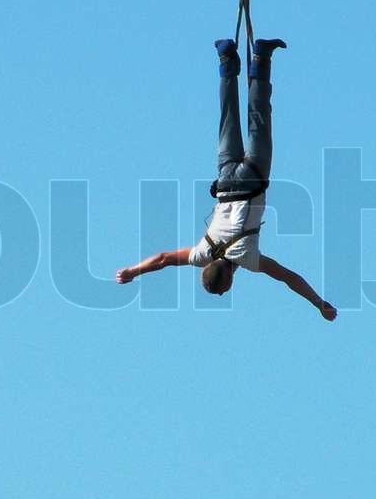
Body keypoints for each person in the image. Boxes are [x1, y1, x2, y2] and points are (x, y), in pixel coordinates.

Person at [116, 37, 338, 321]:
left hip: (254, 176)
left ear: (230, 282)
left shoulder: (249, 258)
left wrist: (319, 303)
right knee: (227, 118)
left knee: (259, 117)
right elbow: (163, 259)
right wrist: (132, 272)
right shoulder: (200, 254)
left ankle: (262, 55)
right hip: (225, 177)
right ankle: (225, 57)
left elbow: (289, 278)